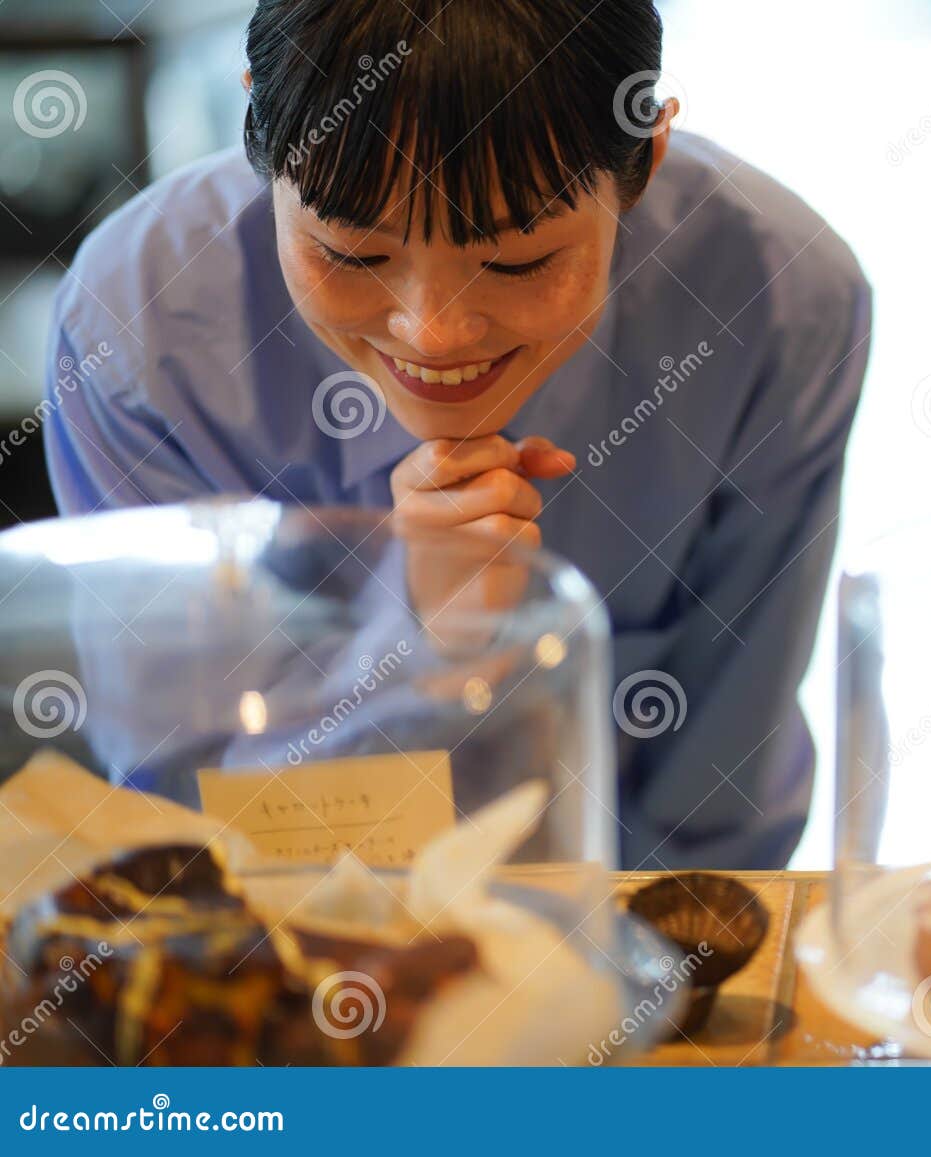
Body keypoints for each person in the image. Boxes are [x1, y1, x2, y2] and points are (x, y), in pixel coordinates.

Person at [41, 0, 872, 871]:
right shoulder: (138, 332)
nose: (431, 333)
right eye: (353, 255)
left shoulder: (775, 305)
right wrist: (427, 644)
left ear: (646, 157)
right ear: (260, 122)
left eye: (519, 262)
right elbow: (191, 820)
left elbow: (714, 813)